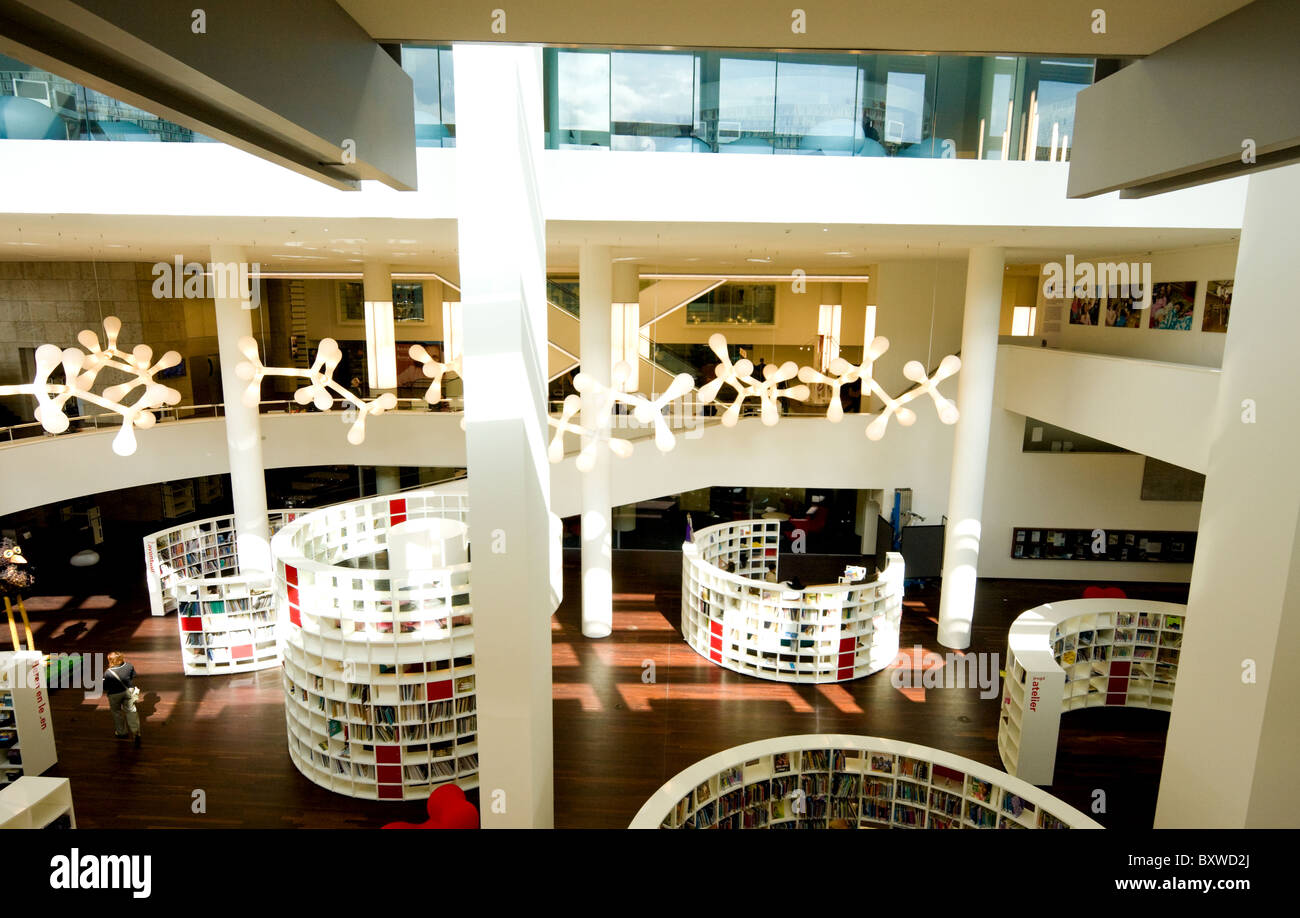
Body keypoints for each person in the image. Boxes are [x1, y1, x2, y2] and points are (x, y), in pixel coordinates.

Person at [104, 651, 141, 745]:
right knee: (131, 711)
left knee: (117, 712)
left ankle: (121, 732)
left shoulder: (108, 673)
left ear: (111, 661)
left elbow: (105, 687)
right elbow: (133, 676)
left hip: (114, 695)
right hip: (128, 692)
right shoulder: (129, 666)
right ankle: (136, 731)